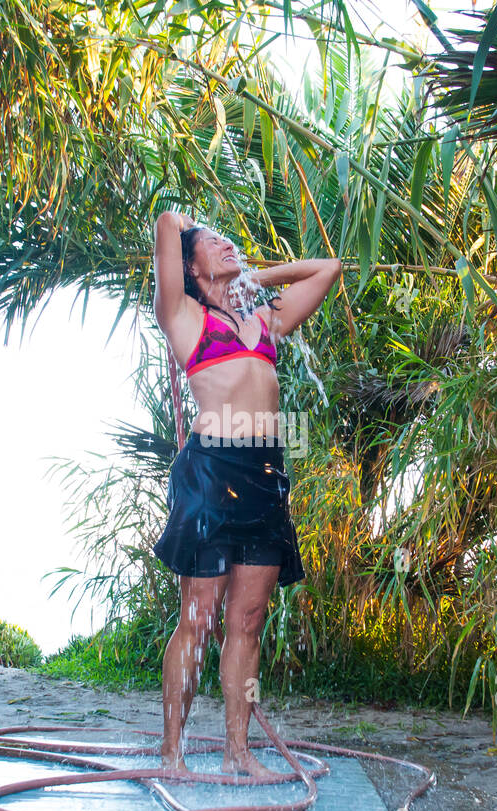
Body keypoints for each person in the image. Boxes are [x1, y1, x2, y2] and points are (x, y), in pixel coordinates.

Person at [150, 210, 340, 780]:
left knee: (249, 620)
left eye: (230, 240)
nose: (228, 245)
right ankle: (171, 753)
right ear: (188, 266)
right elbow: (165, 222)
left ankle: (238, 751)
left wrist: (252, 277)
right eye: (214, 243)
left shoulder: (266, 320)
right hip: (210, 473)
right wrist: (189, 237)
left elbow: (327, 269)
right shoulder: (182, 316)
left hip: (265, 476)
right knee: (199, 615)